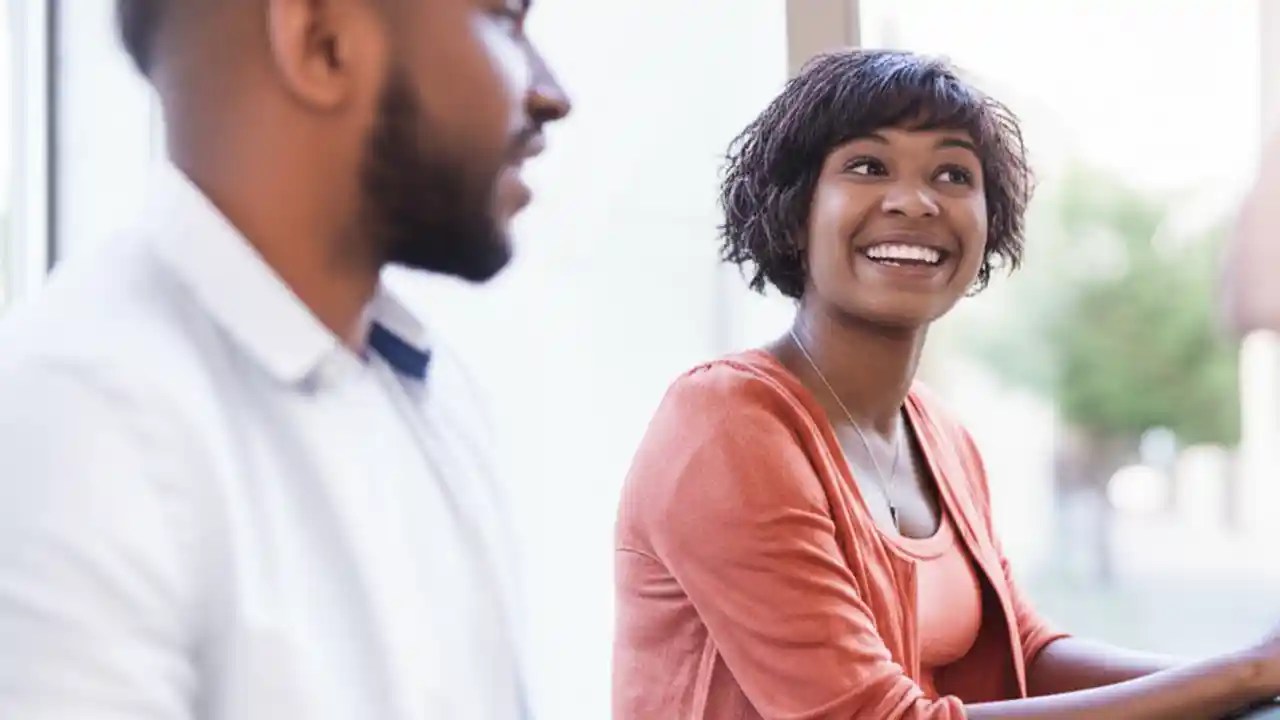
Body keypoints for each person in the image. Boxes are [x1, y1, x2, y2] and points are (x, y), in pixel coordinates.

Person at [613, 49, 1280, 719]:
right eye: (868, 167)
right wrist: (1244, 673)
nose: (916, 201)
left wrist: (1257, 677)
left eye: (953, 173)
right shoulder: (727, 423)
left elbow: (1028, 657)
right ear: (793, 212)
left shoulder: (939, 435)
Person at [0, 1, 569, 718]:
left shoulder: (432, 397)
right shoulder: (80, 426)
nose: (552, 93)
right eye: (503, 20)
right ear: (321, 42)